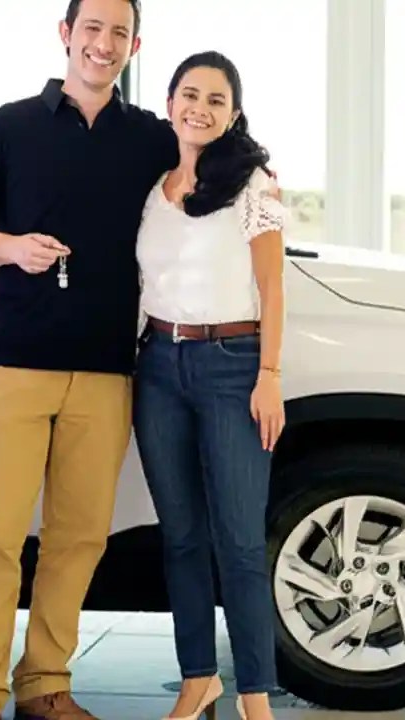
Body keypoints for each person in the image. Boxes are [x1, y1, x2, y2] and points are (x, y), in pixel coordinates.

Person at [0, 0, 178, 718]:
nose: (102, 45)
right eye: (91, 29)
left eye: (117, 34)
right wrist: (10, 247)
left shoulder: (152, 140)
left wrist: (263, 186)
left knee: (77, 538)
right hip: (16, 362)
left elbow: (208, 175)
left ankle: (46, 683)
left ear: (135, 45)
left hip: (107, 370)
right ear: (65, 34)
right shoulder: (8, 126)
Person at [132, 51, 288, 720]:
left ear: (233, 113)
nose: (199, 107)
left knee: (241, 541)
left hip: (233, 365)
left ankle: (255, 696)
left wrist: (270, 376)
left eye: (215, 99)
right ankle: (199, 678)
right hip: (159, 368)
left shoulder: (255, 184)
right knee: (181, 536)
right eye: (189, 94)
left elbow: (275, 285)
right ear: (169, 104)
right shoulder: (151, 187)